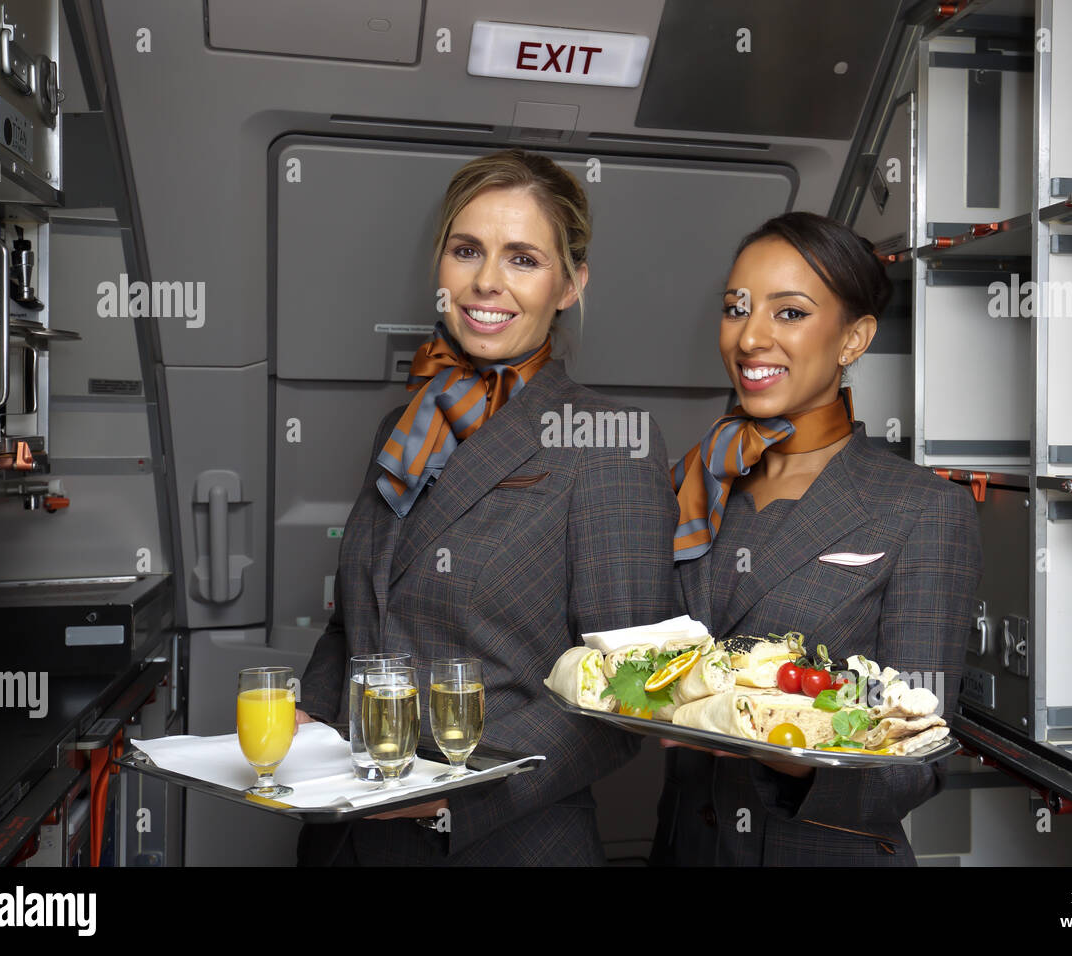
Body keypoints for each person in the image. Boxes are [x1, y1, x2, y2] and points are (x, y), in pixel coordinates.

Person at [296, 148, 677, 865]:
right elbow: (360, 620)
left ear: (570, 284)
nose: (486, 282)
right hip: (349, 835)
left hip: (501, 840)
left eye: (523, 259)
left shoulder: (609, 444)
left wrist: (453, 790)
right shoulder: (407, 426)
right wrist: (306, 712)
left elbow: (631, 692)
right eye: (466, 250)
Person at [651, 211, 982, 866]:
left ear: (853, 338)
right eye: (736, 308)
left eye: (790, 313)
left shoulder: (921, 511)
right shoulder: (692, 485)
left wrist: (789, 749)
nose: (751, 337)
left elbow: (917, 760)